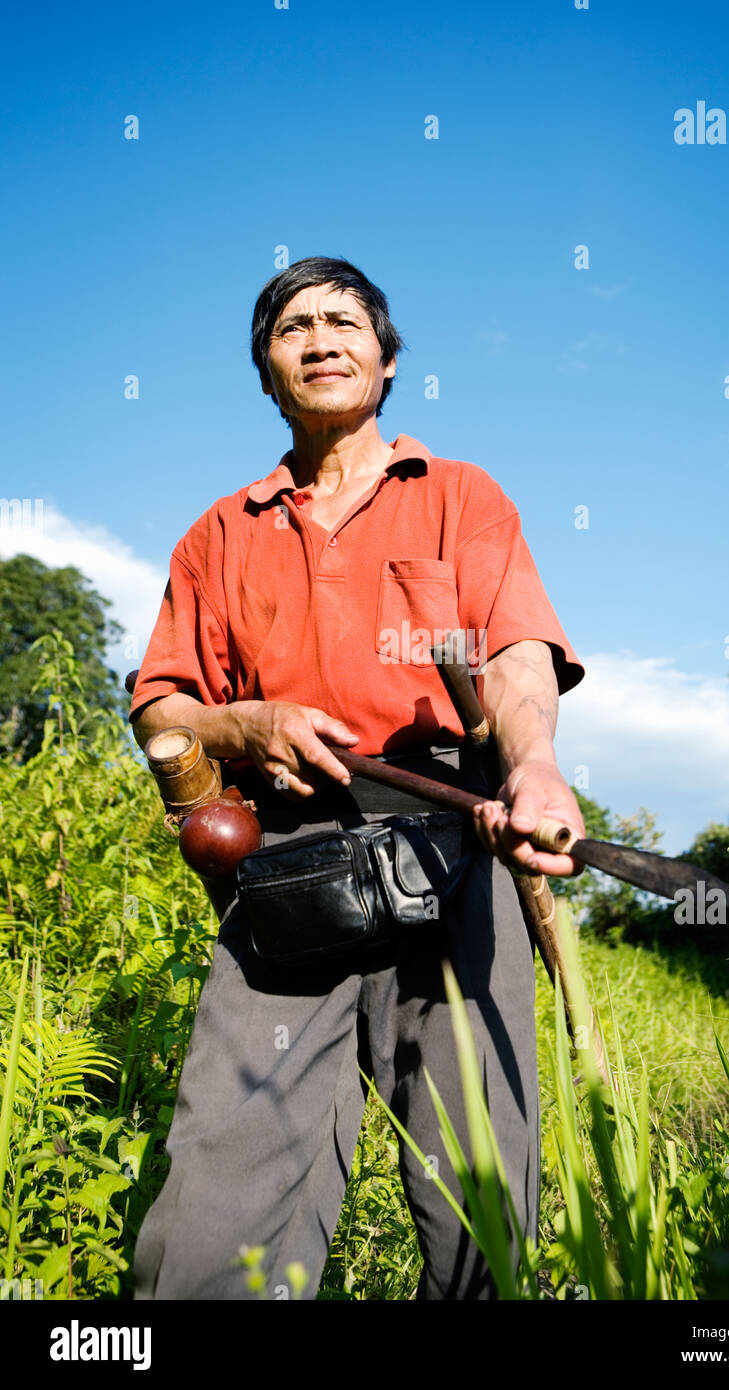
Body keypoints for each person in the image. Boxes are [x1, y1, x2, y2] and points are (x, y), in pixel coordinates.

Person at [129, 256, 586, 1300]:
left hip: (456, 838)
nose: (320, 338)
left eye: (344, 322)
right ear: (266, 372)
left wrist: (537, 769)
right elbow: (161, 706)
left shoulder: (459, 495)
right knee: (214, 1198)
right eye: (293, 327)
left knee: (479, 1192)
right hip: (288, 865)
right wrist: (237, 722)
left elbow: (514, 653)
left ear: (384, 361)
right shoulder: (217, 533)